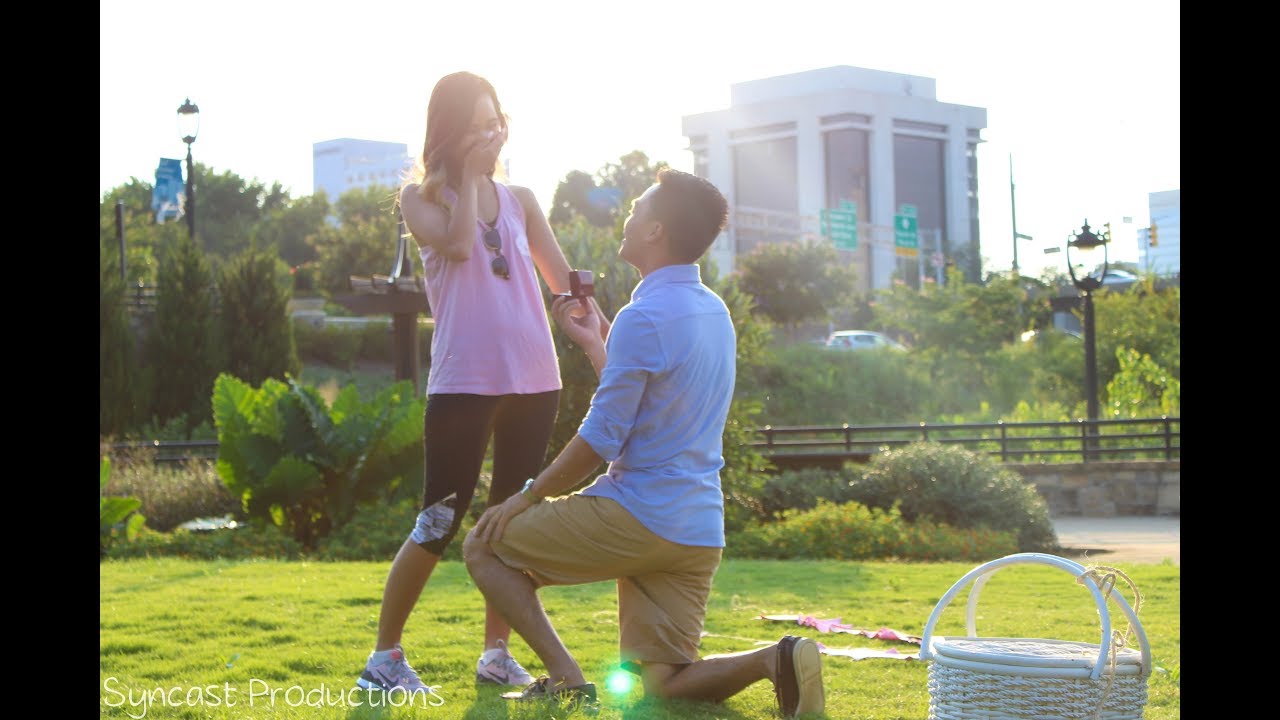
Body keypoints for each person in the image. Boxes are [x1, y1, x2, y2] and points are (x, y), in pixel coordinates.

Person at [462, 169, 825, 717]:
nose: (626, 218)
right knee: (659, 684)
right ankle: (776, 660)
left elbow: (601, 441)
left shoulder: (644, 315)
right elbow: (648, 407)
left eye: (635, 209)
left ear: (655, 230)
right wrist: (595, 344)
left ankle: (565, 676)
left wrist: (525, 497)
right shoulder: (713, 311)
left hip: (639, 517)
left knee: (484, 546)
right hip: (697, 530)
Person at [355, 70, 607, 695]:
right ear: (449, 132)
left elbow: (556, 276)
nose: (490, 134)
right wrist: (468, 178)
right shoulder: (421, 198)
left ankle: (497, 653)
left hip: (534, 378)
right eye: (476, 126)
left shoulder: (521, 198)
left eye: (495, 122)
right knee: (439, 519)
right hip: (465, 382)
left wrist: (587, 297)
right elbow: (463, 248)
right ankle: (384, 659)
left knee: (508, 523)